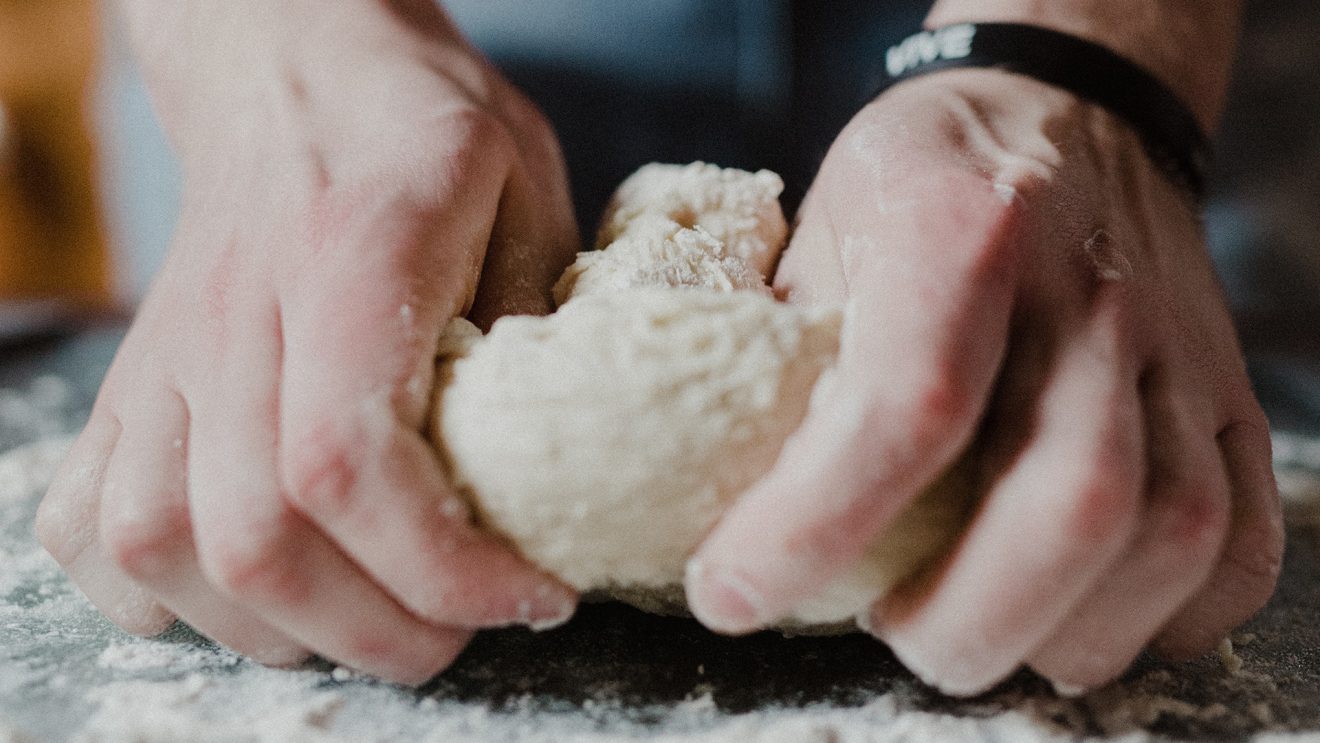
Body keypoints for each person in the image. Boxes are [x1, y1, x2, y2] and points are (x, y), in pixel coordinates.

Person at [35, 0, 1284, 696]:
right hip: (388, 82)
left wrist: (1080, 62)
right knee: (311, 436)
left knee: (1113, 483)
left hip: (1135, 97)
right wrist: (269, 53)